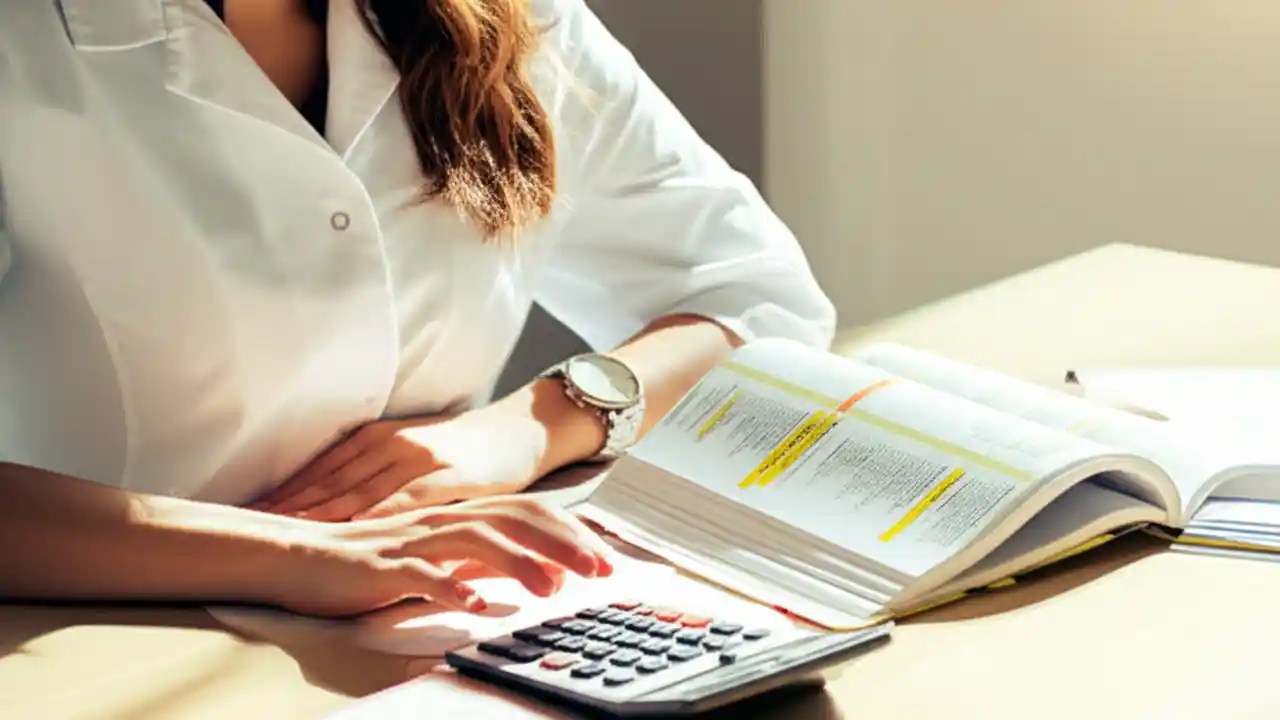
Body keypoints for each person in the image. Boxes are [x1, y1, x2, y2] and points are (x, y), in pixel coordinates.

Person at [0, 0, 834, 615]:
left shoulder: (507, 15)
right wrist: (292, 554)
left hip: (434, 619)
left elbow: (750, 295)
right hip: (91, 648)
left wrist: (525, 427)